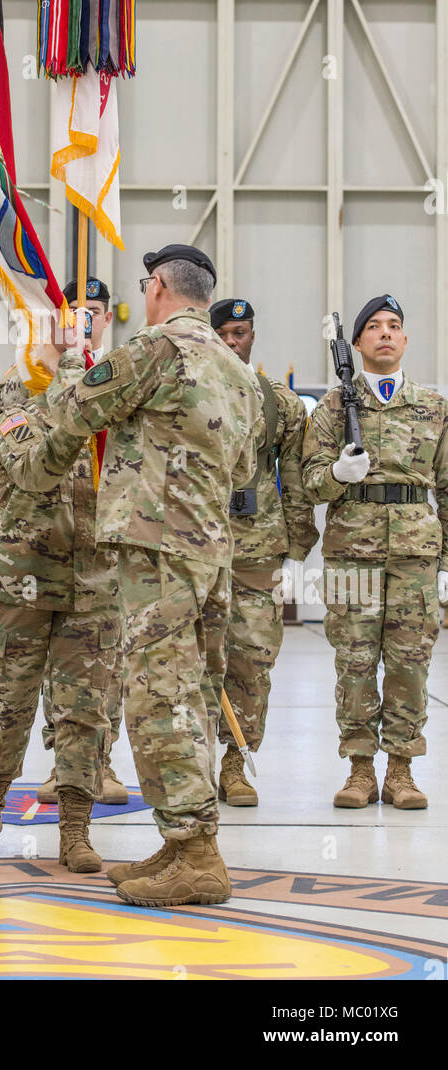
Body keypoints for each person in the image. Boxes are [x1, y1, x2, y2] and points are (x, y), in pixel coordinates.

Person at [40, 245, 261, 907]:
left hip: (156, 546)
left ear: (159, 285)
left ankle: (194, 855)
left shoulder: (155, 349)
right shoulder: (235, 368)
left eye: (145, 285)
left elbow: (79, 410)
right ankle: (180, 842)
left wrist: (77, 355)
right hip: (208, 550)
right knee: (185, 694)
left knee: (157, 698)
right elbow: (246, 471)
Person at [0, 362, 120, 870]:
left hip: (93, 586)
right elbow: (33, 470)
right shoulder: (16, 417)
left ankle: (75, 830)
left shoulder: (117, 426)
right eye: (72, 376)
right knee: (6, 703)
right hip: (17, 583)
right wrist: (78, 420)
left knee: (84, 711)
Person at [302, 295, 448, 810]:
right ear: (359, 342)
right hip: (352, 553)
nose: (385, 333)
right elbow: (310, 482)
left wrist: (447, 565)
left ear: (405, 340)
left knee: (411, 661)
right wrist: (338, 474)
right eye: (374, 327)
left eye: (394, 326)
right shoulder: (333, 407)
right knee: (356, 659)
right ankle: (360, 770)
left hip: (415, 554)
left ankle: (402, 772)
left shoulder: (433, 407)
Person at [210, 299, 318, 804]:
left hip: (258, 550)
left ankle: (235, 763)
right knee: (186, 660)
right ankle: (189, 766)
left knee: (252, 657)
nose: (233, 342)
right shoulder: (191, 392)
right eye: (225, 334)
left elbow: (294, 481)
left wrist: (297, 547)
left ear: (253, 334)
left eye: (241, 332)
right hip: (195, 546)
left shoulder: (281, 402)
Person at [34, 276, 128, 806]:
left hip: (110, 537)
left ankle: (102, 761)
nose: (84, 319)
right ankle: (61, 761)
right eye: (75, 311)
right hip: (55, 535)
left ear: (108, 317)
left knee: (106, 659)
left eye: (93, 310)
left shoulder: (128, 374)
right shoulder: (37, 373)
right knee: (60, 661)